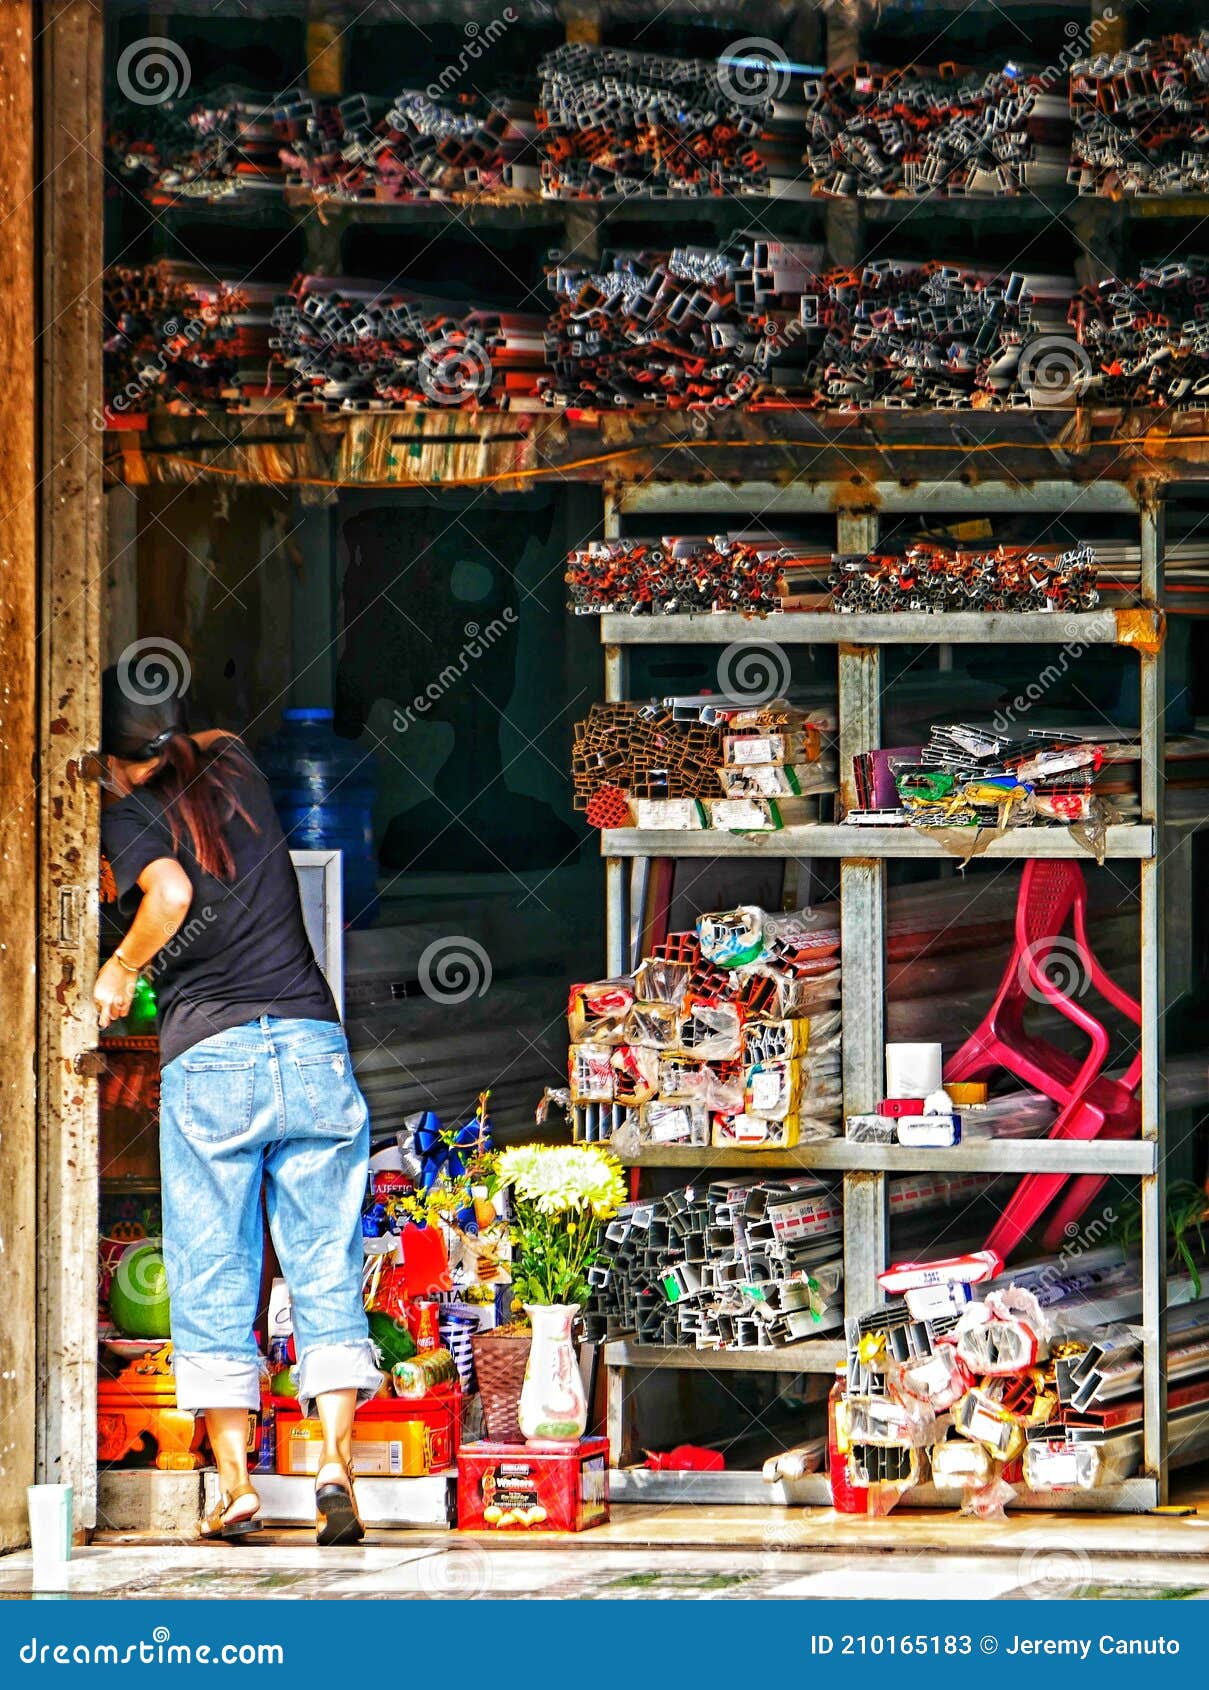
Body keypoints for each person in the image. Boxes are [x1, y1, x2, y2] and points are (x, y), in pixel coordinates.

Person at [92, 663, 381, 1545]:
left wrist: (121, 966)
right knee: (322, 1260)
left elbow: (170, 894)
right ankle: (335, 1464)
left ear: (112, 758)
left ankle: (233, 1487)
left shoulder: (124, 812)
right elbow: (210, 740)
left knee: (214, 1268)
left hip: (213, 1057)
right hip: (311, 1046)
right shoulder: (235, 768)